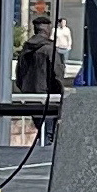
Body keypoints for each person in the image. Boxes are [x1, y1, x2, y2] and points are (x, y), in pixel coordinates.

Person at [14, 15, 67, 143]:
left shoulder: (26, 49)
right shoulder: (49, 49)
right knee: (48, 133)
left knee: (42, 130)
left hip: (30, 96)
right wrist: (61, 92)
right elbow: (57, 74)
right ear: (47, 29)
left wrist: (25, 89)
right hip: (48, 97)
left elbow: (19, 74)